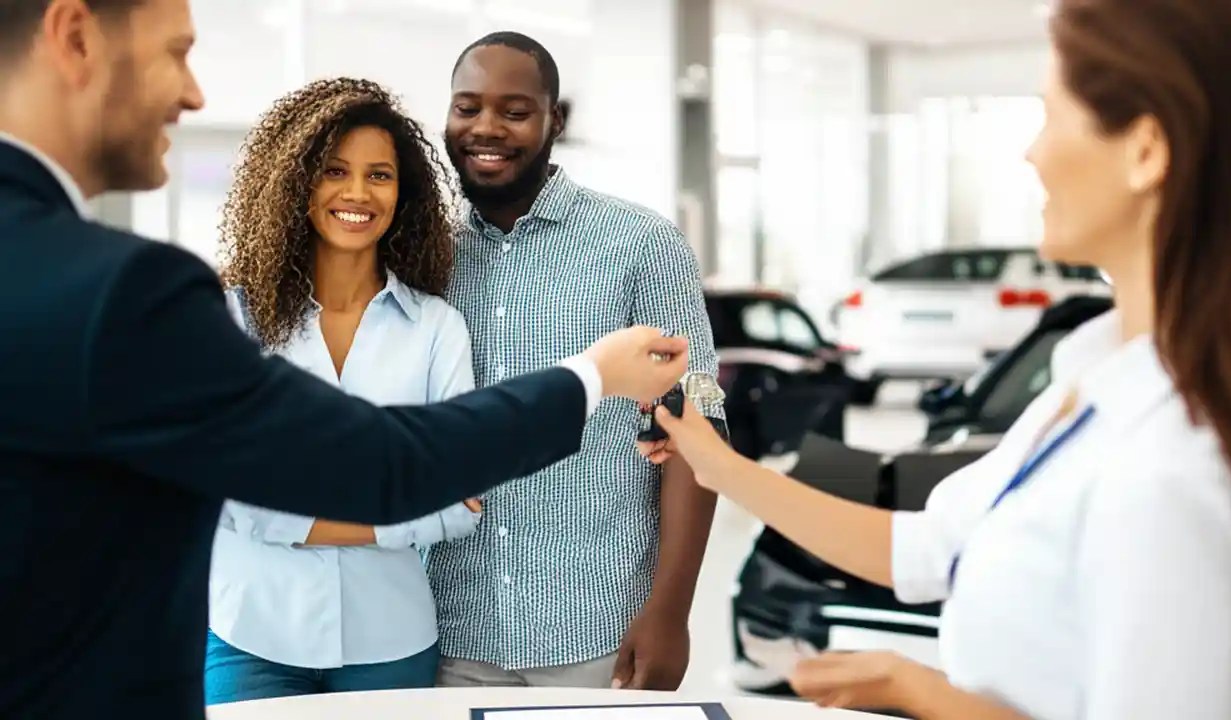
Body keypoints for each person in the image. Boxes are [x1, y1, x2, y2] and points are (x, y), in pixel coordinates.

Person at [0, 1, 689, 718]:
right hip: (230, 639)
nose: (194, 93)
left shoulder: (456, 308)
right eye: (176, 53)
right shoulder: (130, 292)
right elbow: (381, 466)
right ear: (75, 35)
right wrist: (594, 375)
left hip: (416, 634)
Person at [649, 0, 1231, 718]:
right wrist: (715, 461)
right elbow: (922, 549)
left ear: (1145, 150)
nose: (1031, 153)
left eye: (1050, 115)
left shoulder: (1167, 472)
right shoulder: (1090, 381)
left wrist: (921, 691)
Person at [428, 31, 726, 691]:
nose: (486, 128)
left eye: (514, 110)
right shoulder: (424, 253)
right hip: (447, 626)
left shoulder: (639, 245)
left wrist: (670, 613)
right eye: (467, 107)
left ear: (554, 120)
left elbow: (695, 429)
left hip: (596, 631)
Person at [202, 78, 485, 703]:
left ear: (401, 193)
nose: (358, 193)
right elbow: (221, 494)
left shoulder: (437, 329)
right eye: (335, 170)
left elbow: (461, 508)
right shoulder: (232, 320)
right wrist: (394, 507)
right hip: (250, 634)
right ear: (297, 181)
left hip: (389, 642)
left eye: (379, 175)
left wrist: (287, 508)